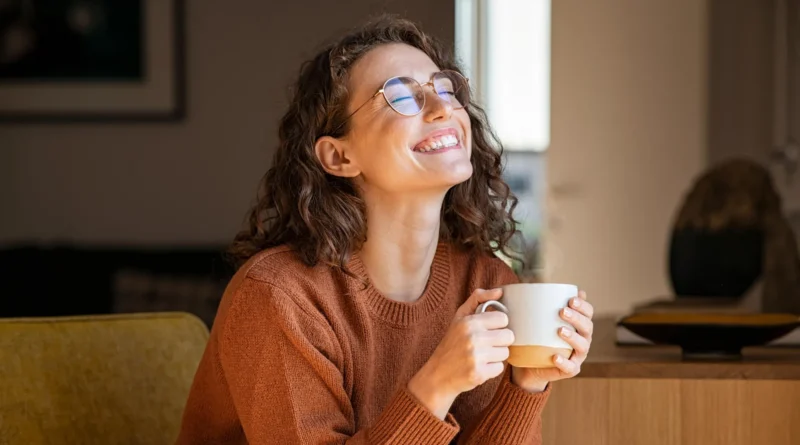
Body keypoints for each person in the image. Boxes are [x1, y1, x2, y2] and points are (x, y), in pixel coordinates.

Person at [177, 16, 594, 445]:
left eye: (444, 88)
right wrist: (436, 385)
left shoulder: (486, 284)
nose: (442, 108)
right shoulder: (279, 297)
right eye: (400, 96)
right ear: (339, 157)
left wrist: (526, 385)